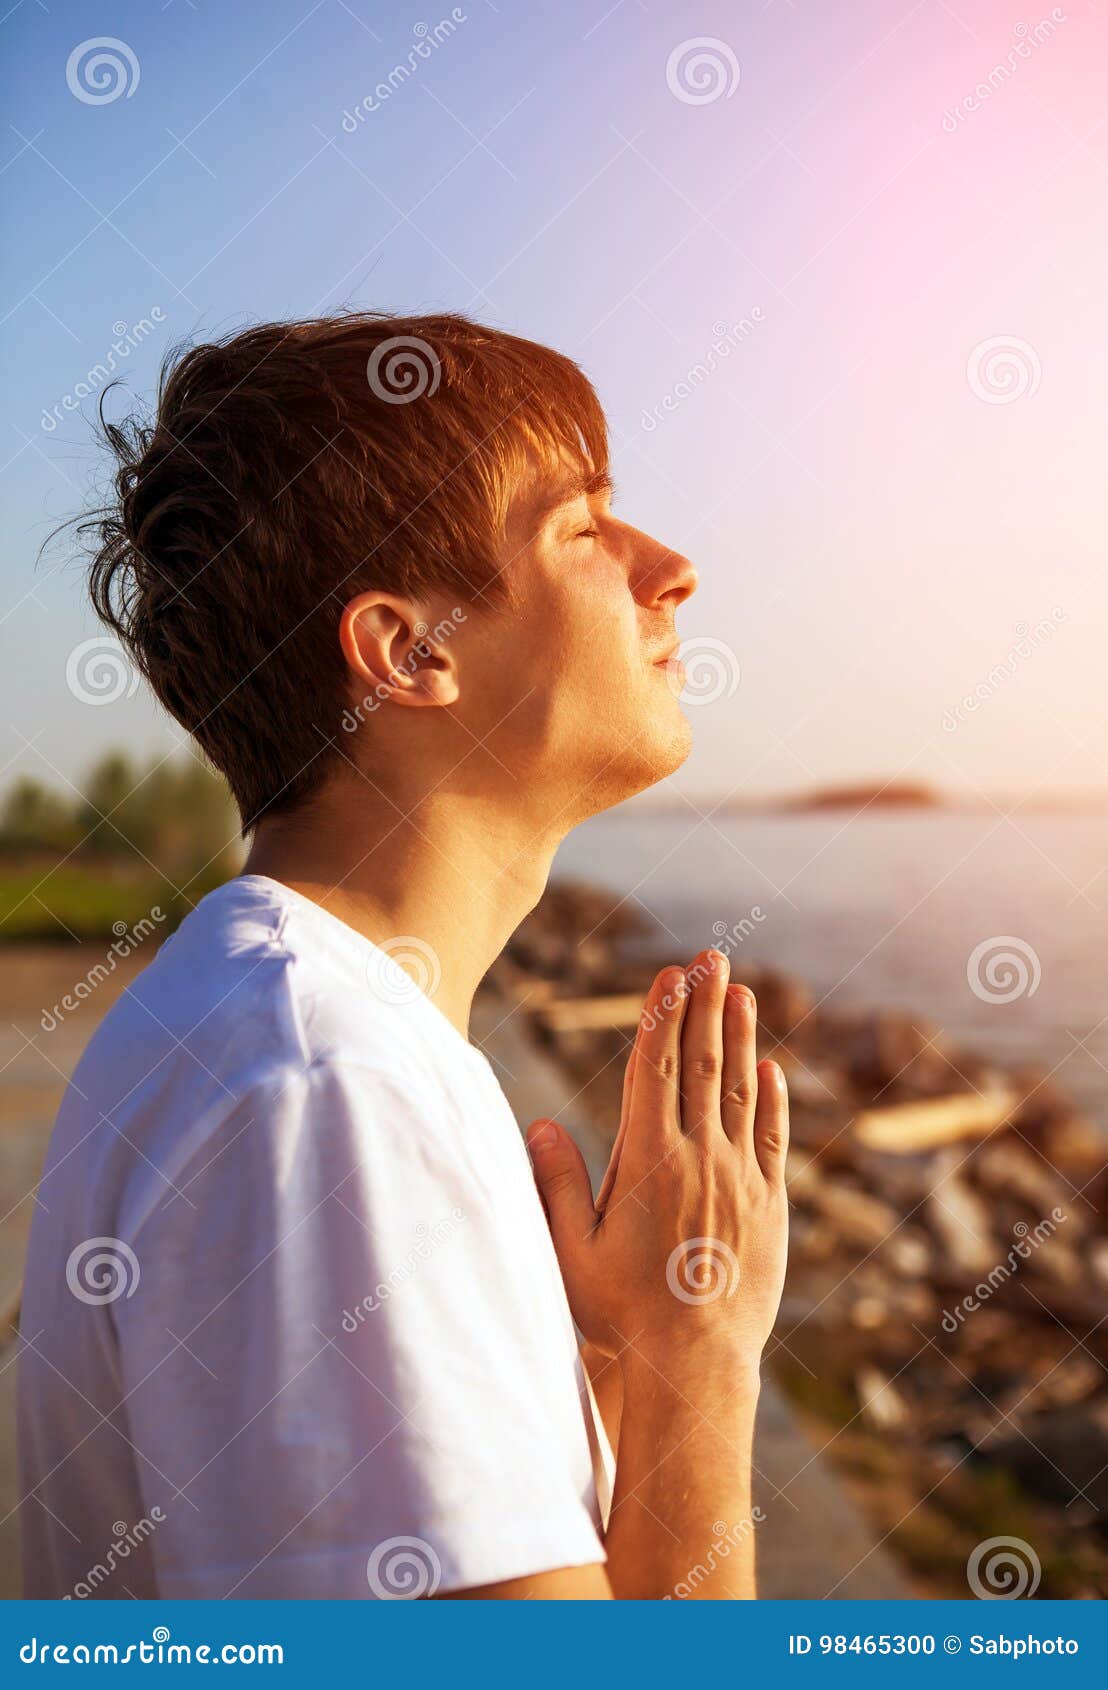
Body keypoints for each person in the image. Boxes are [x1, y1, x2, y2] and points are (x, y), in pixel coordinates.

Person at [18, 313, 789, 1600]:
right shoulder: (325, 1089)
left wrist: (615, 1379)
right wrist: (698, 1353)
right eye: (585, 528)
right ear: (409, 652)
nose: (674, 569)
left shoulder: (307, 1033)